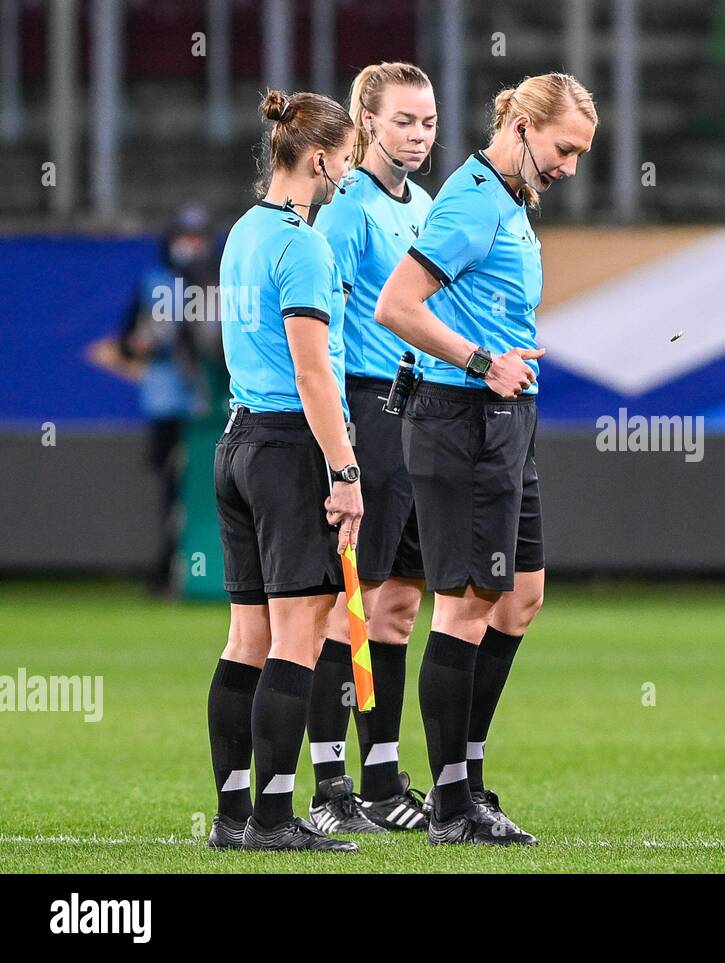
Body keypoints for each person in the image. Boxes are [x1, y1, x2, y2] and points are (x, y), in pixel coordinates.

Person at [375, 73, 597, 846]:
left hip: (504, 419)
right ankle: (452, 800)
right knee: (465, 606)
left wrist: (505, 358)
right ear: (526, 127)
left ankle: (464, 779)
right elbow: (396, 305)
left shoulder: (509, 201)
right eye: (565, 148)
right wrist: (481, 362)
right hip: (461, 418)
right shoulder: (472, 200)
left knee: (520, 597)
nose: (570, 166)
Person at [205, 88, 362, 852]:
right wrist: (345, 467)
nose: (348, 175)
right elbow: (312, 373)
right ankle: (273, 818)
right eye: (348, 159)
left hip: (236, 443)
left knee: (246, 640)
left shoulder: (242, 233)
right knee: (298, 638)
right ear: (323, 157)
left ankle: (234, 815)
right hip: (287, 448)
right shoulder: (303, 245)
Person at [304, 62, 438, 835]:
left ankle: (383, 778)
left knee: (398, 604)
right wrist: (344, 444)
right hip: (369, 409)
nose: (418, 135)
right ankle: (330, 784)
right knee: (341, 606)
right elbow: (321, 333)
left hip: (421, 413)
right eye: (402, 122)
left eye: (426, 122)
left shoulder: (423, 205)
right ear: (367, 123)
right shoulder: (345, 211)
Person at [85, 206, 218, 596]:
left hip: (205, 403)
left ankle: (198, 568)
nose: (191, 246)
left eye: (198, 238)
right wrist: (139, 345)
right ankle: (169, 569)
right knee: (170, 487)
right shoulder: (154, 283)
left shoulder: (215, 284)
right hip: (166, 398)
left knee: (204, 487)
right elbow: (127, 339)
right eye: (185, 237)